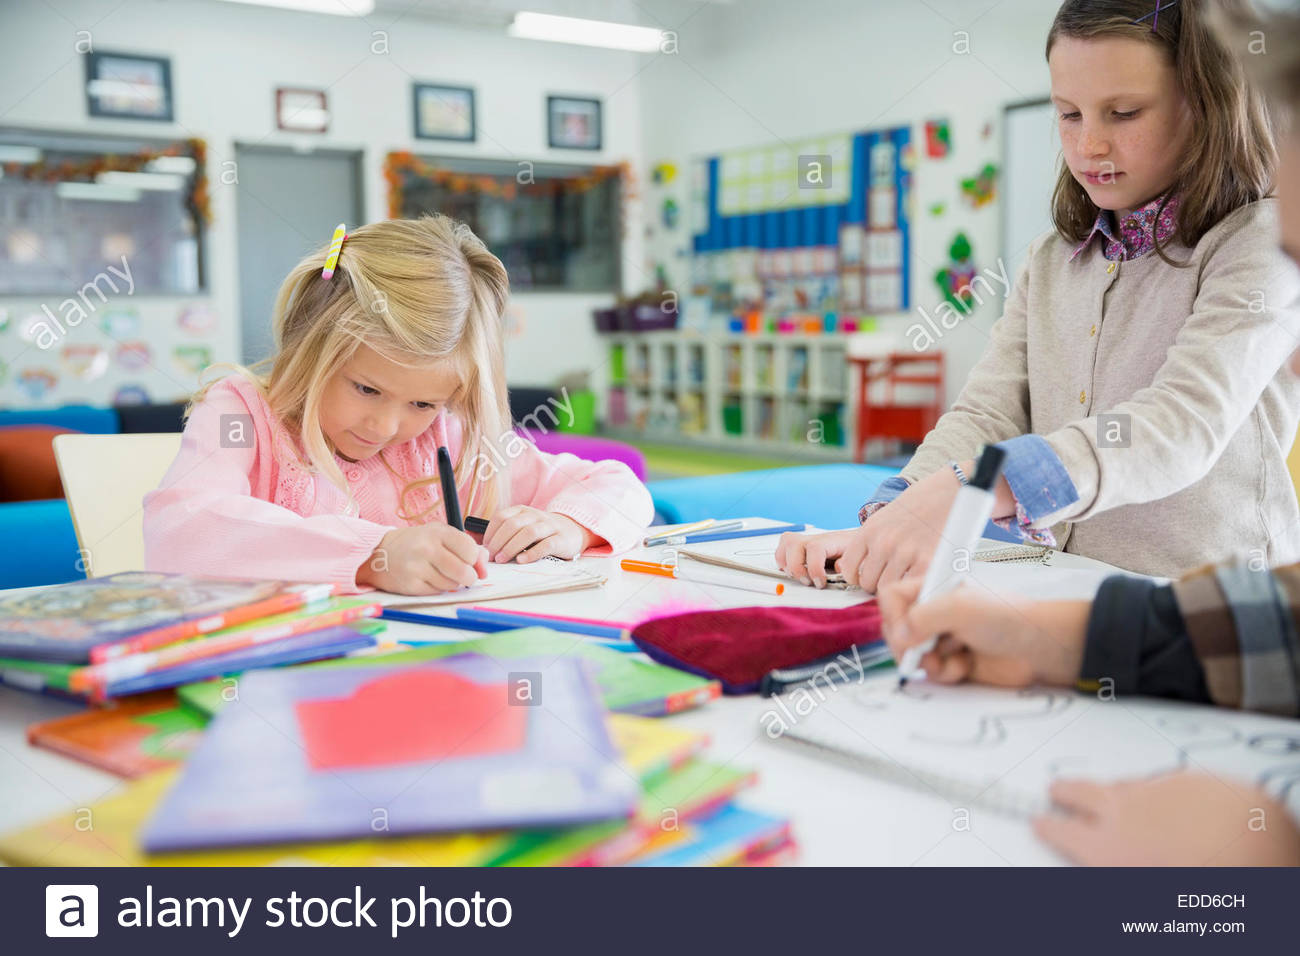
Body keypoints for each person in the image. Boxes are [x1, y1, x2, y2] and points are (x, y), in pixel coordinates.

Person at [778, 0, 1300, 595]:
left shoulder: (1261, 242)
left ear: (1206, 104)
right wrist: (892, 517)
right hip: (1071, 586)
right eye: (1069, 114)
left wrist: (992, 482)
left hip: (1216, 601)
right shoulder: (1052, 258)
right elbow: (989, 412)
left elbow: (1179, 424)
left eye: (1124, 113)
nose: (1090, 144)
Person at [144, 214, 653, 595]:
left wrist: (571, 525)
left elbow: (620, 486)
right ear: (308, 346)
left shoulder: (444, 437)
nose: (387, 425)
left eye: (424, 402)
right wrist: (372, 555)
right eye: (366, 389)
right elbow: (180, 530)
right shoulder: (240, 414)